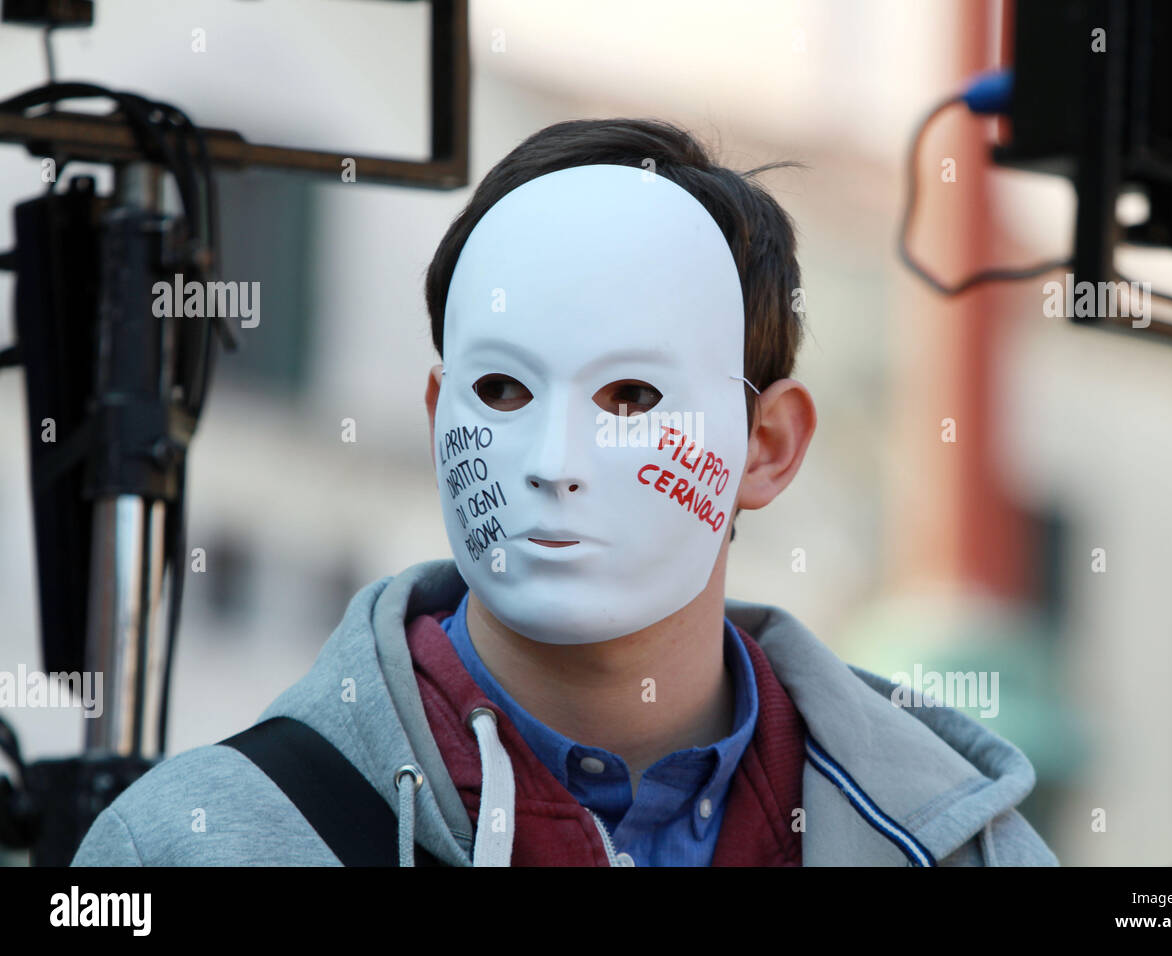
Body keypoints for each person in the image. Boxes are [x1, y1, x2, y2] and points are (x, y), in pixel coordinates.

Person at [72, 118, 1057, 867]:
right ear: (437, 414)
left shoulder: (967, 849)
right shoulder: (200, 846)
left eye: (632, 394)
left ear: (766, 444)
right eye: (501, 390)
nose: (554, 459)